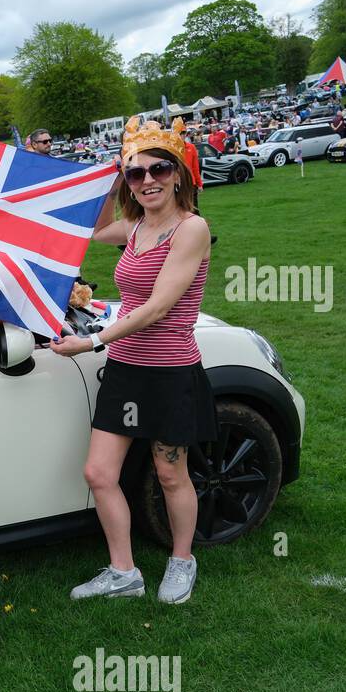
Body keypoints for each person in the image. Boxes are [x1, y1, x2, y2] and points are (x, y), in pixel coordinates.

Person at [49, 115, 216, 605]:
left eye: (159, 169)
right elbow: (93, 227)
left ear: (179, 173)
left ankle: (182, 560)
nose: (147, 180)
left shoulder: (192, 229)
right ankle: (123, 571)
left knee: (170, 473)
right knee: (99, 473)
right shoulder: (134, 226)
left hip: (170, 372)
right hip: (126, 368)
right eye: (136, 173)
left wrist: (92, 340)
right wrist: (106, 175)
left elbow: (158, 306)